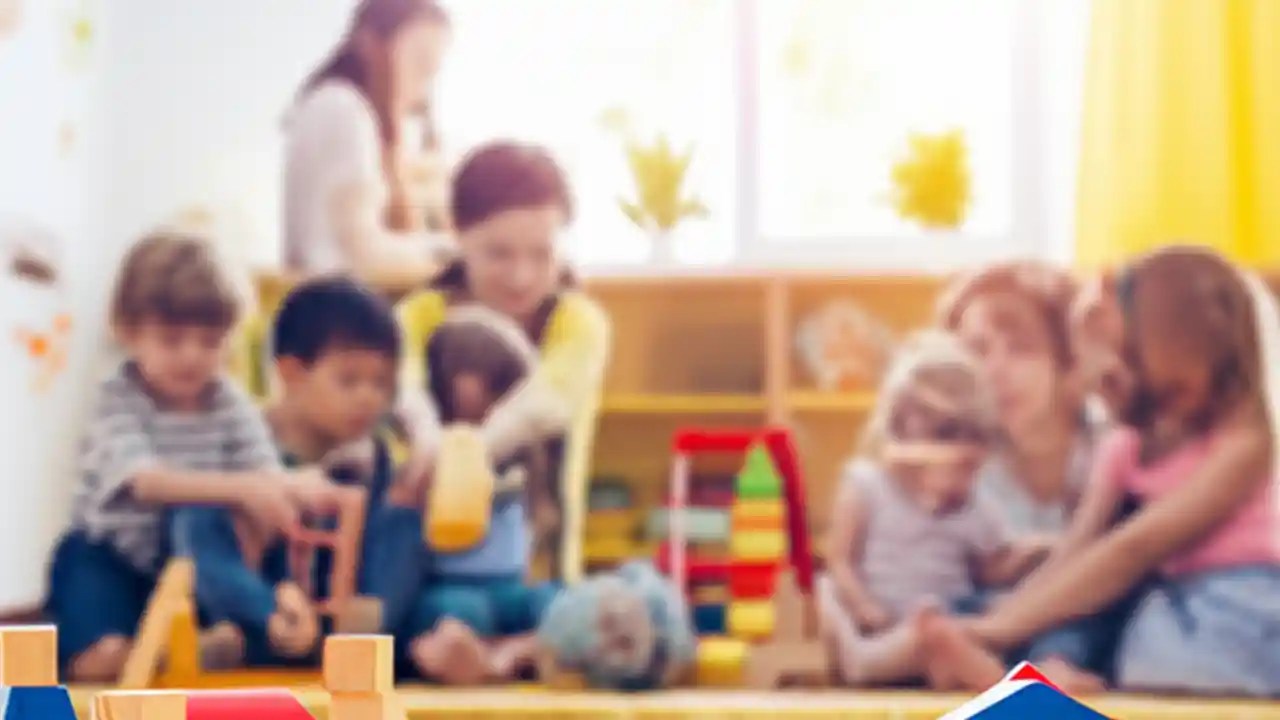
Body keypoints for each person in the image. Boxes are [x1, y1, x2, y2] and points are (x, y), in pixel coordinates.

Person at [925, 247, 1280, 697]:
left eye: (1118, 373)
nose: (1104, 390)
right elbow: (1075, 554)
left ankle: (1033, 664)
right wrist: (996, 620)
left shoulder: (1244, 444)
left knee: (1121, 612)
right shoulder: (1124, 444)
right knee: (1048, 599)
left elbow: (1134, 548)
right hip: (1166, 597)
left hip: (1240, 600)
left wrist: (998, 629)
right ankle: (1026, 665)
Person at [45, 232, 335, 681]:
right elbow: (146, 482)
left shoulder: (229, 403)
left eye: (210, 341)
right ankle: (153, 652)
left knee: (208, 525)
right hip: (116, 559)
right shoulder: (118, 398)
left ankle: (253, 628)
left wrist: (287, 492)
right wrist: (247, 488)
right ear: (129, 332)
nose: (192, 355)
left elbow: (266, 480)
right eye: (172, 339)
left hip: (198, 569)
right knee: (93, 648)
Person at [172, 277, 423, 666]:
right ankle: (255, 630)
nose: (368, 398)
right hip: (264, 600)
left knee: (404, 512)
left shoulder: (372, 457)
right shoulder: (237, 441)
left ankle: (359, 641)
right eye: (349, 380)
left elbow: (383, 546)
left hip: (338, 612)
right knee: (197, 515)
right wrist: (266, 606)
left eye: (381, 383)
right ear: (291, 372)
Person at [395, 141, 611, 589]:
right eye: (499, 254)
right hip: (425, 579)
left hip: (542, 581)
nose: (521, 277)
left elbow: (547, 403)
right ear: (457, 233)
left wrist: (459, 456)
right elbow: (400, 388)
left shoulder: (577, 322)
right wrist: (424, 435)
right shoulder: (418, 317)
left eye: (542, 254)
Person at [816, 331, 1053, 687]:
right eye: (944, 436)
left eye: (971, 438)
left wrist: (1039, 551)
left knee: (978, 624)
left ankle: (998, 680)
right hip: (883, 637)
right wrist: (865, 609)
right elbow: (840, 562)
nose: (959, 455)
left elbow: (991, 569)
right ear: (898, 429)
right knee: (828, 593)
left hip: (950, 624)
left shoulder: (974, 505)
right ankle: (1015, 698)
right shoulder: (867, 485)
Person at [938, 263, 1125, 678]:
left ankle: (1051, 669)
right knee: (949, 608)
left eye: (1021, 350)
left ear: (1067, 360)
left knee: (1096, 608)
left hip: (1082, 606)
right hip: (998, 607)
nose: (996, 370)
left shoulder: (1103, 445)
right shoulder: (961, 462)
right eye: (977, 351)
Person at [405, 306, 561, 684]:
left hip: (508, 584)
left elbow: (549, 410)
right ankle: (487, 657)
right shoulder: (425, 447)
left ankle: (507, 655)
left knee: (554, 602)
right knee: (459, 612)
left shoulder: (515, 449)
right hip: (449, 584)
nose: (472, 389)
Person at [284, 0, 453, 275]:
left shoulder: (334, 105)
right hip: (338, 294)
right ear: (372, 45)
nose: (423, 91)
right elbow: (360, 252)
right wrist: (454, 252)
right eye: (420, 63)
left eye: (431, 72)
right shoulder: (342, 107)